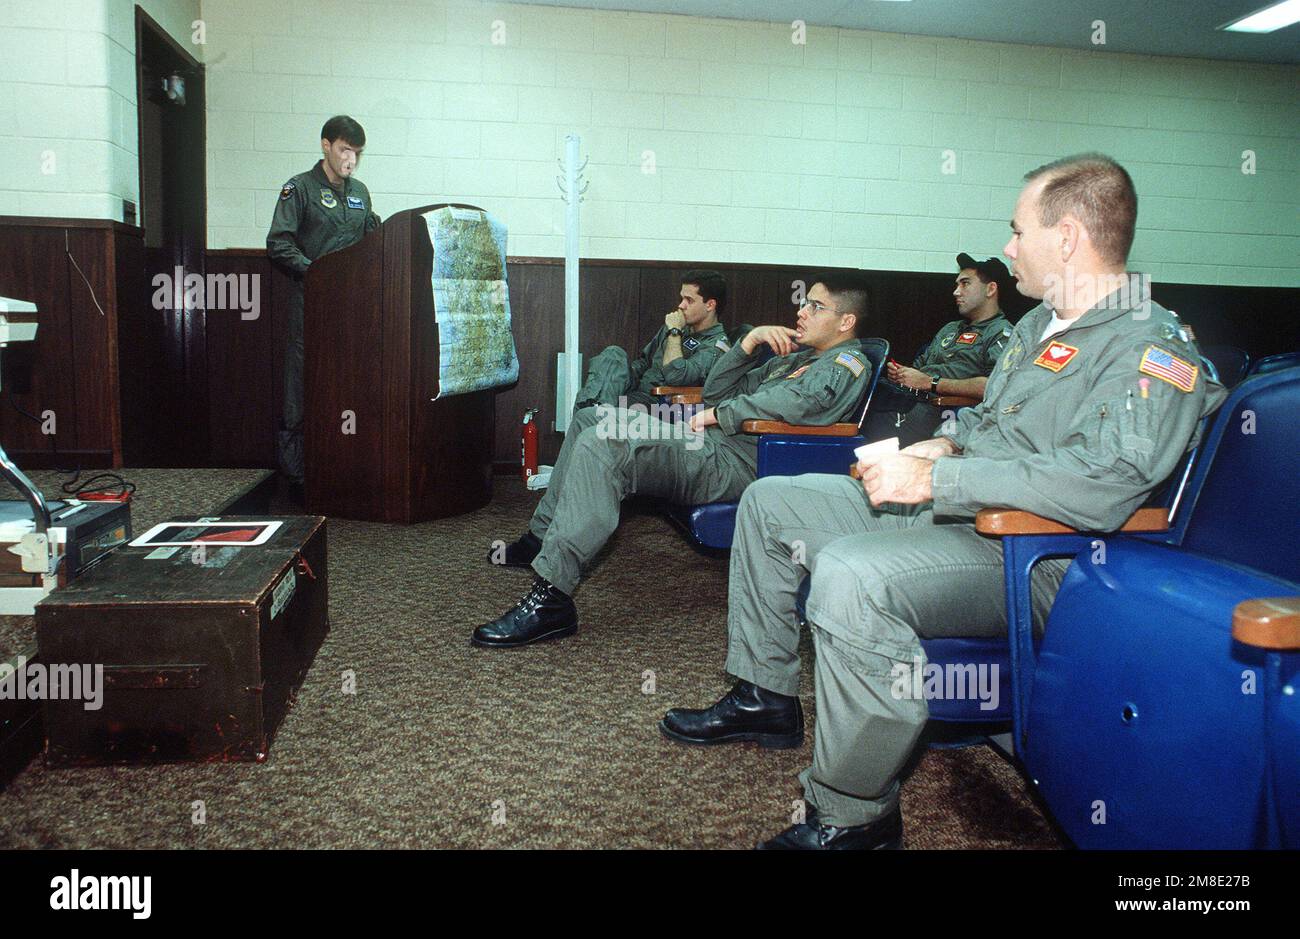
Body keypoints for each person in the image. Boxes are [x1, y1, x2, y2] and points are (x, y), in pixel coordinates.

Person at [659, 153, 1226, 850]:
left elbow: (1104, 482)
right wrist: (944, 445)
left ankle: (853, 814)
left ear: (1068, 237)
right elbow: (991, 424)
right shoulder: (1039, 325)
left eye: (1018, 231)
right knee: (772, 503)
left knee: (853, 577)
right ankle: (764, 696)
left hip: (1044, 554)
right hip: (971, 513)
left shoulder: (1150, 343)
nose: (1009, 248)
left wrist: (940, 481)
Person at [476, 274, 877, 649]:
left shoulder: (846, 365)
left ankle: (552, 596)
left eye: (815, 307)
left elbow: (798, 404)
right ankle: (541, 537)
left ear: (846, 322)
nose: (801, 312)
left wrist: (722, 415)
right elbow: (715, 390)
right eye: (805, 304)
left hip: (738, 464)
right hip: (709, 445)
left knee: (605, 443)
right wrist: (748, 344)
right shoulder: (792, 360)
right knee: (591, 418)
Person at [266, 115, 381, 492]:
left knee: (350, 387)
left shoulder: (360, 192)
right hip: (312, 305)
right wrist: (315, 273)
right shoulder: (299, 188)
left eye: (357, 153)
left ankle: (347, 466)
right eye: (345, 150)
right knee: (302, 389)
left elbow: (371, 239)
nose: (351, 159)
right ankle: (299, 477)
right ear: (326, 145)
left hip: (354, 309)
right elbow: (278, 243)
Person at [863, 254, 1014, 446]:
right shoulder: (951, 329)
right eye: (957, 285)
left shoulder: (1002, 333)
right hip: (912, 400)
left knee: (864, 422)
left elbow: (995, 386)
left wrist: (931, 383)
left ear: (991, 289)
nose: (956, 292)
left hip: (944, 413)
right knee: (865, 392)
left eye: (965, 284)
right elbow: (920, 368)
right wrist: (902, 375)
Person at [572, 270, 732, 412]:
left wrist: (674, 332)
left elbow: (676, 376)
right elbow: (644, 362)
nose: (681, 305)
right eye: (682, 298)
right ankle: (595, 409)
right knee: (613, 354)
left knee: (591, 414)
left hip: (661, 404)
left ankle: (595, 414)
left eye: (689, 300)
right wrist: (617, 378)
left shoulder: (716, 346)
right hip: (637, 391)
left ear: (710, 305)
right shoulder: (679, 326)